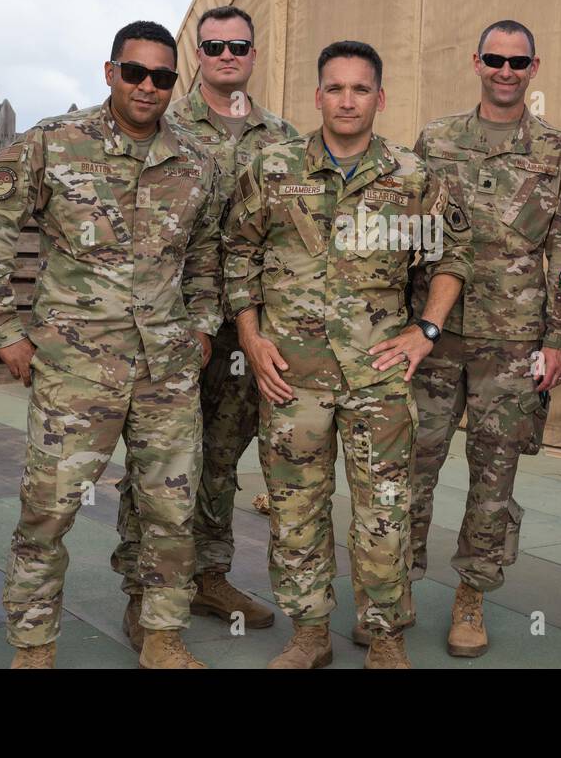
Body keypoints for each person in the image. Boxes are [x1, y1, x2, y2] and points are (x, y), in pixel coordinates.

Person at [0, 20, 222, 669]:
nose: (148, 87)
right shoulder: (56, 142)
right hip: (76, 366)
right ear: (110, 73)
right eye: (135, 72)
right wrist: (6, 332)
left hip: (167, 370)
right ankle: (34, 644)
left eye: (162, 77)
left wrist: (205, 325)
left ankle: (160, 632)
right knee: (49, 508)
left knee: (169, 509)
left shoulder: (195, 161)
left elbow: (209, 253)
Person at [223, 40, 472, 669]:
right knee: (295, 511)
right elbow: (237, 253)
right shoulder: (273, 168)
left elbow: (452, 257)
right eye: (335, 88)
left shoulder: (412, 176)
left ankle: (385, 638)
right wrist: (251, 339)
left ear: (380, 98)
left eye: (360, 89)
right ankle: (309, 634)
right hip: (291, 379)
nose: (347, 100)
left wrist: (427, 331)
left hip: (378, 377)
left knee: (384, 512)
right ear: (318, 96)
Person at [111, 5, 297, 645]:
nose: (226, 55)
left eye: (238, 45)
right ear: (197, 54)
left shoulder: (283, 139)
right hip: (172, 325)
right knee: (160, 461)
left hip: (249, 329)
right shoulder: (164, 123)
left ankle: (208, 573)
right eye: (214, 45)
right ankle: (144, 591)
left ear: (253, 53)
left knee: (221, 457)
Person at [409, 20, 561, 657]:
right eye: (494, 60)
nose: (505, 72)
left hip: (513, 342)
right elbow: (409, 231)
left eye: (518, 62)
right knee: (412, 464)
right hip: (436, 337)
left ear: (534, 68)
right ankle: (397, 585)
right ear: (475, 61)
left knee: (494, 474)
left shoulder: (556, 150)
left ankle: (472, 594)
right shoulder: (435, 139)